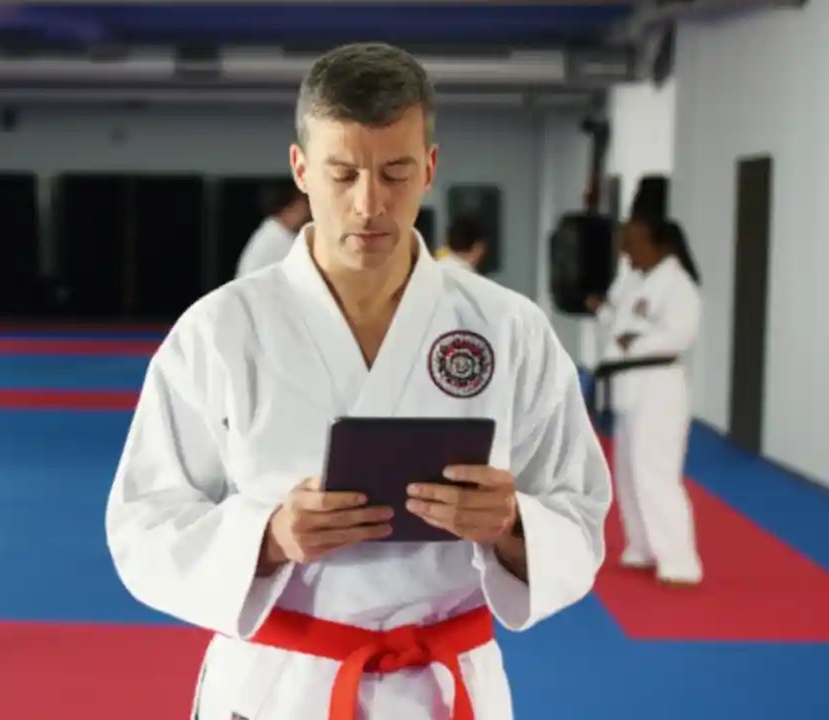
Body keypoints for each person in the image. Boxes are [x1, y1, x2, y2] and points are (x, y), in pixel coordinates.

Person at [106, 42, 611, 720]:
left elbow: (578, 514)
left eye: (396, 173)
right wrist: (271, 536)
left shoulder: (509, 329)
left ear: (430, 169)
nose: (370, 204)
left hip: (440, 684)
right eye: (342, 174)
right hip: (280, 687)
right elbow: (143, 526)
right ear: (301, 169)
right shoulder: (220, 332)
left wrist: (514, 523)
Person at [590, 216, 702, 587]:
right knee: (628, 470)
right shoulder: (637, 281)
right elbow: (618, 325)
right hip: (630, 385)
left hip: (659, 386)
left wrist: (633, 342)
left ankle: (680, 560)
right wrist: (602, 311)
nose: (626, 249)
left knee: (655, 470)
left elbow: (680, 335)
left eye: (634, 242)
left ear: (660, 246)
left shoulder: (678, 284)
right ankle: (642, 546)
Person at [236, 182, 312, 278]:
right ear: (288, 206)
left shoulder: (283, 234)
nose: (308, 209)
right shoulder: (270, 241)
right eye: (304, 201)